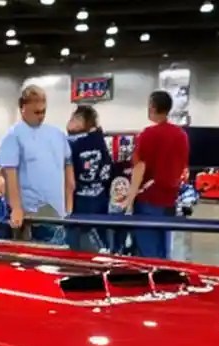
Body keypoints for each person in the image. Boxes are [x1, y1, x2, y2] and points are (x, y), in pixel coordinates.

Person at [0, 85, 74, 243]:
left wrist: (69, 205)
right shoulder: (13, 136)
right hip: (31, 215)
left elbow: (68, 166)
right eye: (36, 112)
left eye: (43, 111)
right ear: (22, 108)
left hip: (58, 213)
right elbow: (9, 174)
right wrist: (17, 209)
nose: (41, 116)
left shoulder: (57, 134)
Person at [124, 90, 190, 258]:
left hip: (148, 200)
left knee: (148, 251)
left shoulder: (148, 134)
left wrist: (129, 199)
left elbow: (140, 167)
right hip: (170, 200)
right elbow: (182, 166)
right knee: (164, 250)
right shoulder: (181, 135)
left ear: (152, 107)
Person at [66, 105, 113, 252]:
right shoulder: (100, 140)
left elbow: (70, 182)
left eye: (73, 118)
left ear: (80, 120)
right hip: (100, 200)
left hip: (80, 202)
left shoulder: (73, 143)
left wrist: (67, 210)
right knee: (101, 246)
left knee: (75, 247)